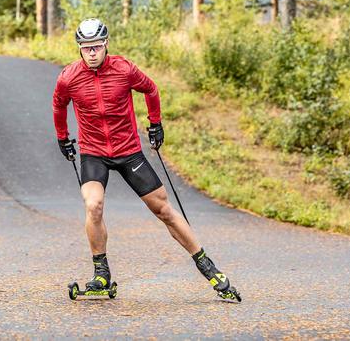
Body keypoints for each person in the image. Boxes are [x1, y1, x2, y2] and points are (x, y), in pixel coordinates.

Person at [52, 18, 241, 302]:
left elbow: (150, 89)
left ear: (106, 45)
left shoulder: (124, 69)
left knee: (163, 210)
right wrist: (63, 138)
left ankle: (209, 268)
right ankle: (101, 274)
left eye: (97, 47)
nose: (92, 53)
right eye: (86, 47)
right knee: (93, 205)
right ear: (79, 49)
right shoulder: (69, 77)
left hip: (128, 150)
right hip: (94, 152)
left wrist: (155, 124)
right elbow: (58, 104)